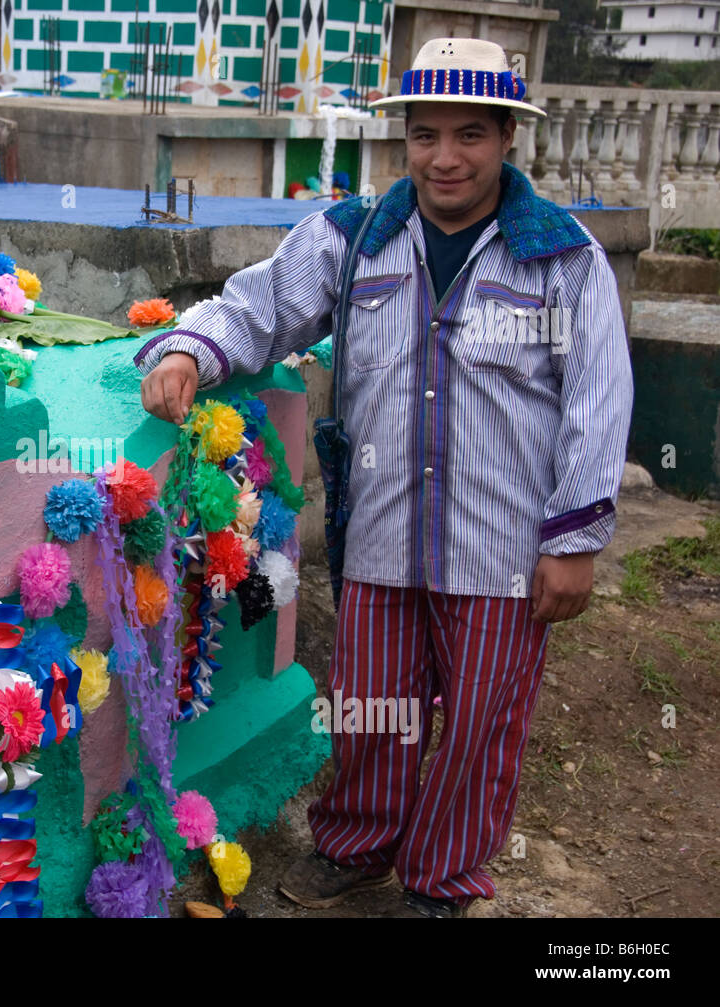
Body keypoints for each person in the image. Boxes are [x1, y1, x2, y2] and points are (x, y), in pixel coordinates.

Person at [135, 37, 634, 917]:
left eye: (471, 135)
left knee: (482, 724)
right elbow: (260, 306)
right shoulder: (356, 236)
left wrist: (577, 538)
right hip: (380, 534)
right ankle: (357, 845)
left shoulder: (565, 259)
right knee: (369, 707)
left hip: (506, 548)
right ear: (401, 137)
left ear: (508, 139)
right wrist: (187, 349)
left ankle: (442, 877)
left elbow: (597, 400)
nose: (446, 157)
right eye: (426, 134)